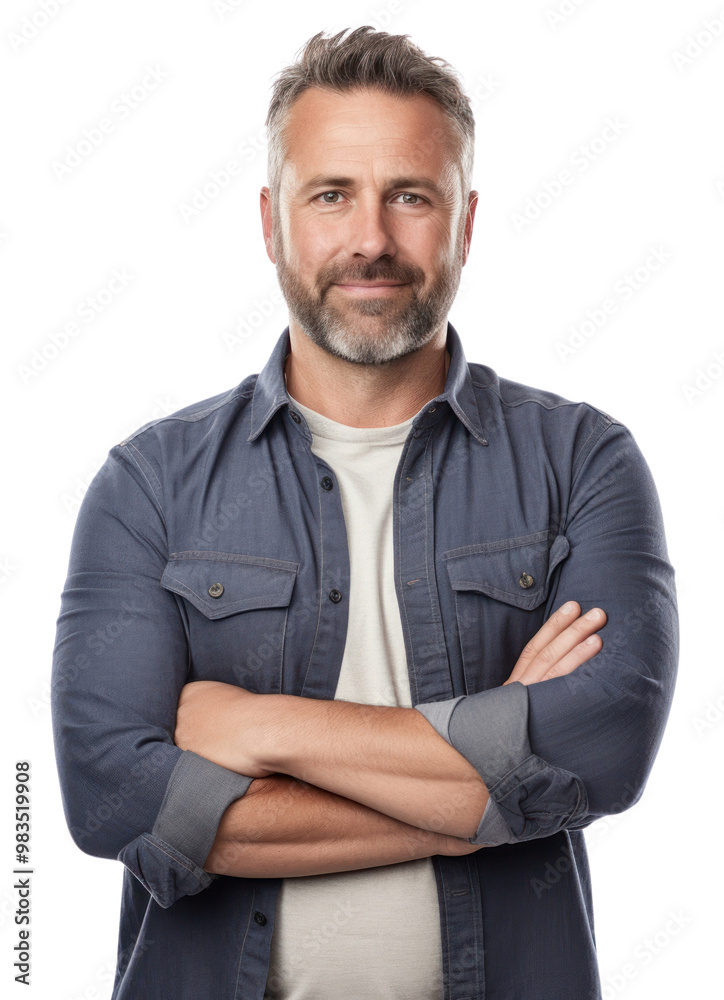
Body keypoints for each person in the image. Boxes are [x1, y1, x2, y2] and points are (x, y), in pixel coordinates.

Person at [51, 25, 678, 1000]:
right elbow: (113, 799)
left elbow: (603, 750)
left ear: (466, 222)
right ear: (272, 222)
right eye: (331, 194)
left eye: (411, 196)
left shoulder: (582, 462)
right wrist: (492, 790)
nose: (372, 239)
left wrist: (256, 725)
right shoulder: (149, 484)